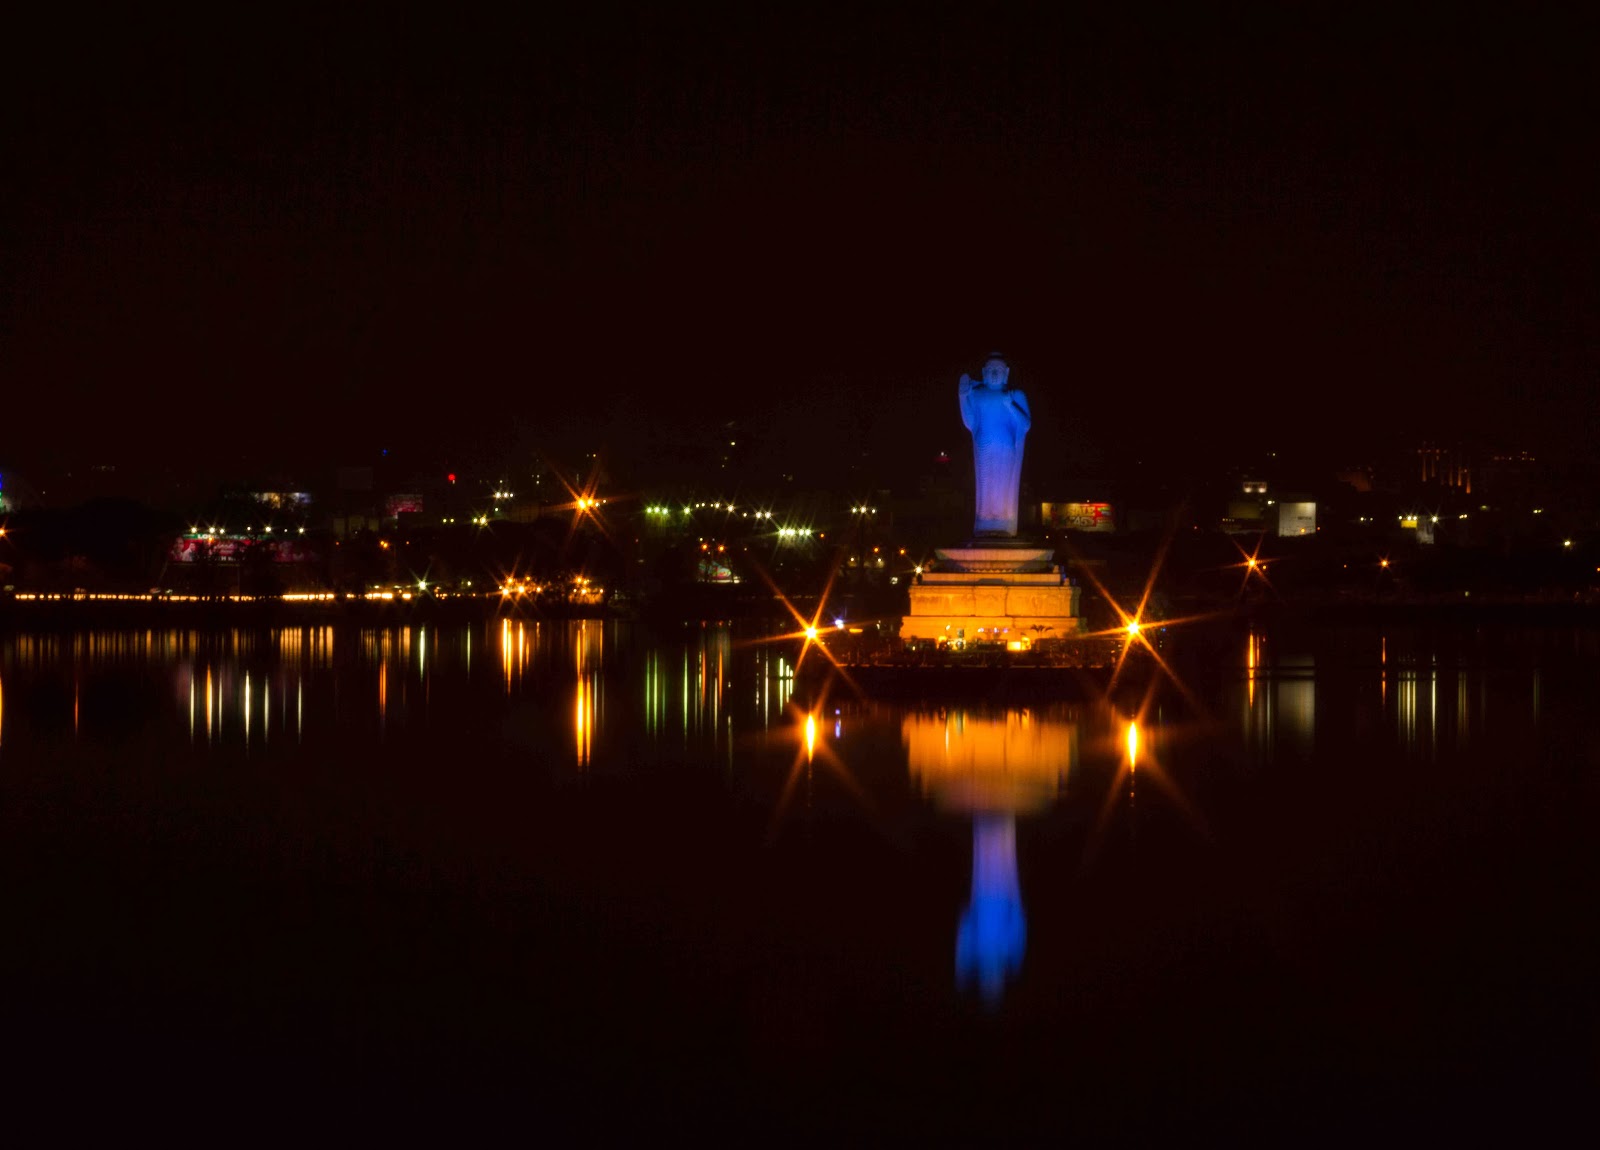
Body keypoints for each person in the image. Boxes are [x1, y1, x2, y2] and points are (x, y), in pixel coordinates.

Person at [958, 354, 1031, 536]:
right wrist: (962, 396)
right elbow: (970, 421)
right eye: (991, 370)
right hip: (984, 443)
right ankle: (985, 519)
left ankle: (1003, 519)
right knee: (985, 482)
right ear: (984, 372)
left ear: (1006, 373)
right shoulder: (977, 394)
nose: (994, 374)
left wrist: (1011, 405)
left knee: (1002, 483)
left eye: (998, 370)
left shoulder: (1015, 395)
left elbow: (1025, 424)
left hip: (1005, 444)